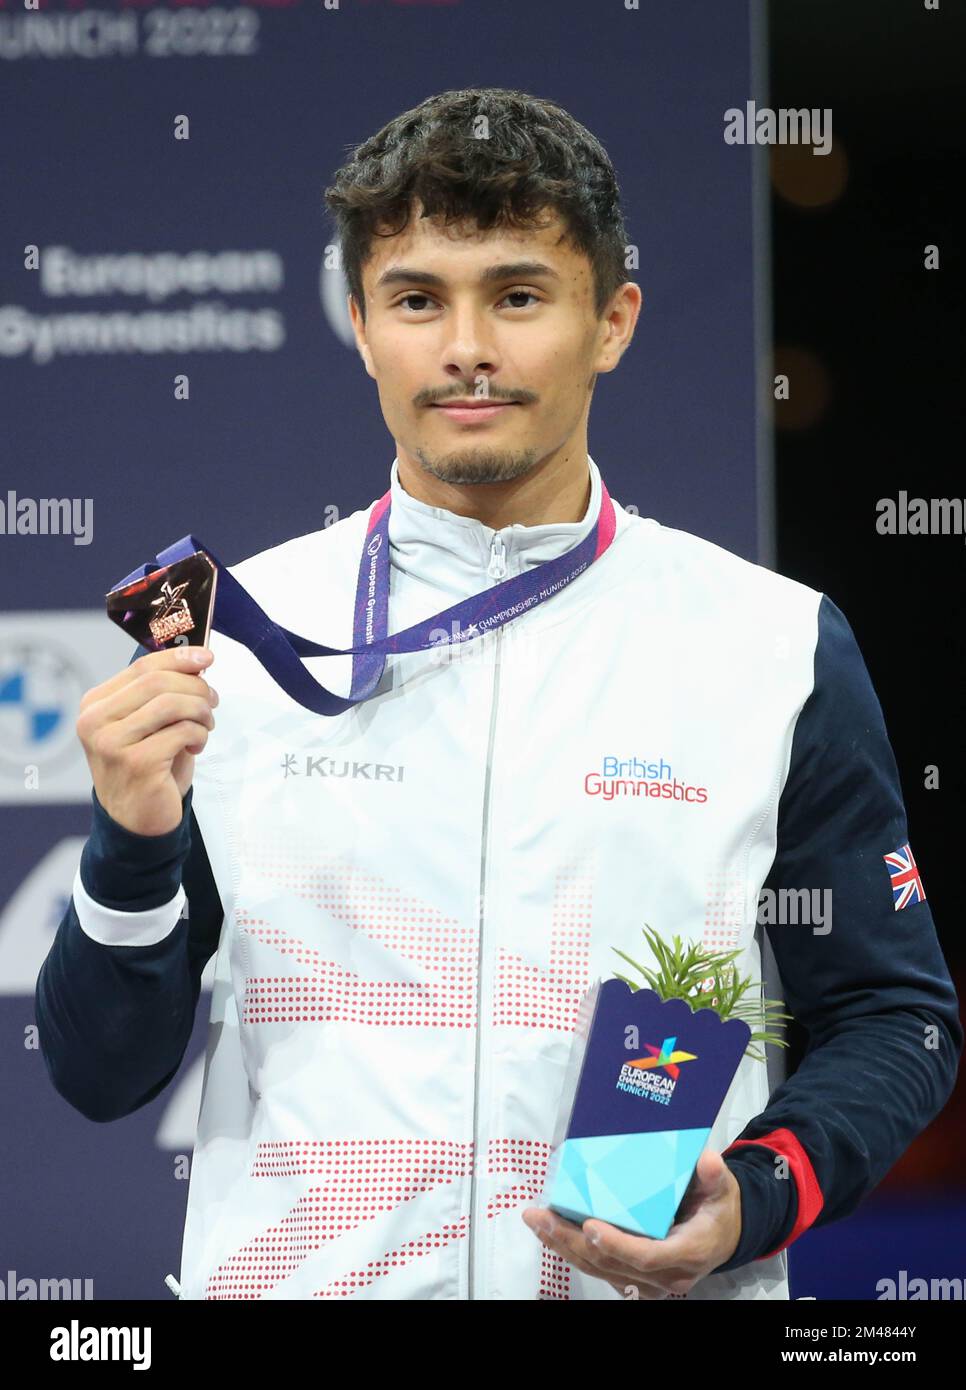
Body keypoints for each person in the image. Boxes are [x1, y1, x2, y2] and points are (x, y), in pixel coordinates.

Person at [35, 87, 961, 1302]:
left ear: (613, 321)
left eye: (518, 296)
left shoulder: (771, 644)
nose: (465, 344)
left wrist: (763, 1188)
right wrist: (131, 846)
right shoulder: (234, 646)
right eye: (419, 300)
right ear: (363, 325)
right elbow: (102, 1074)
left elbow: (898, 1014)